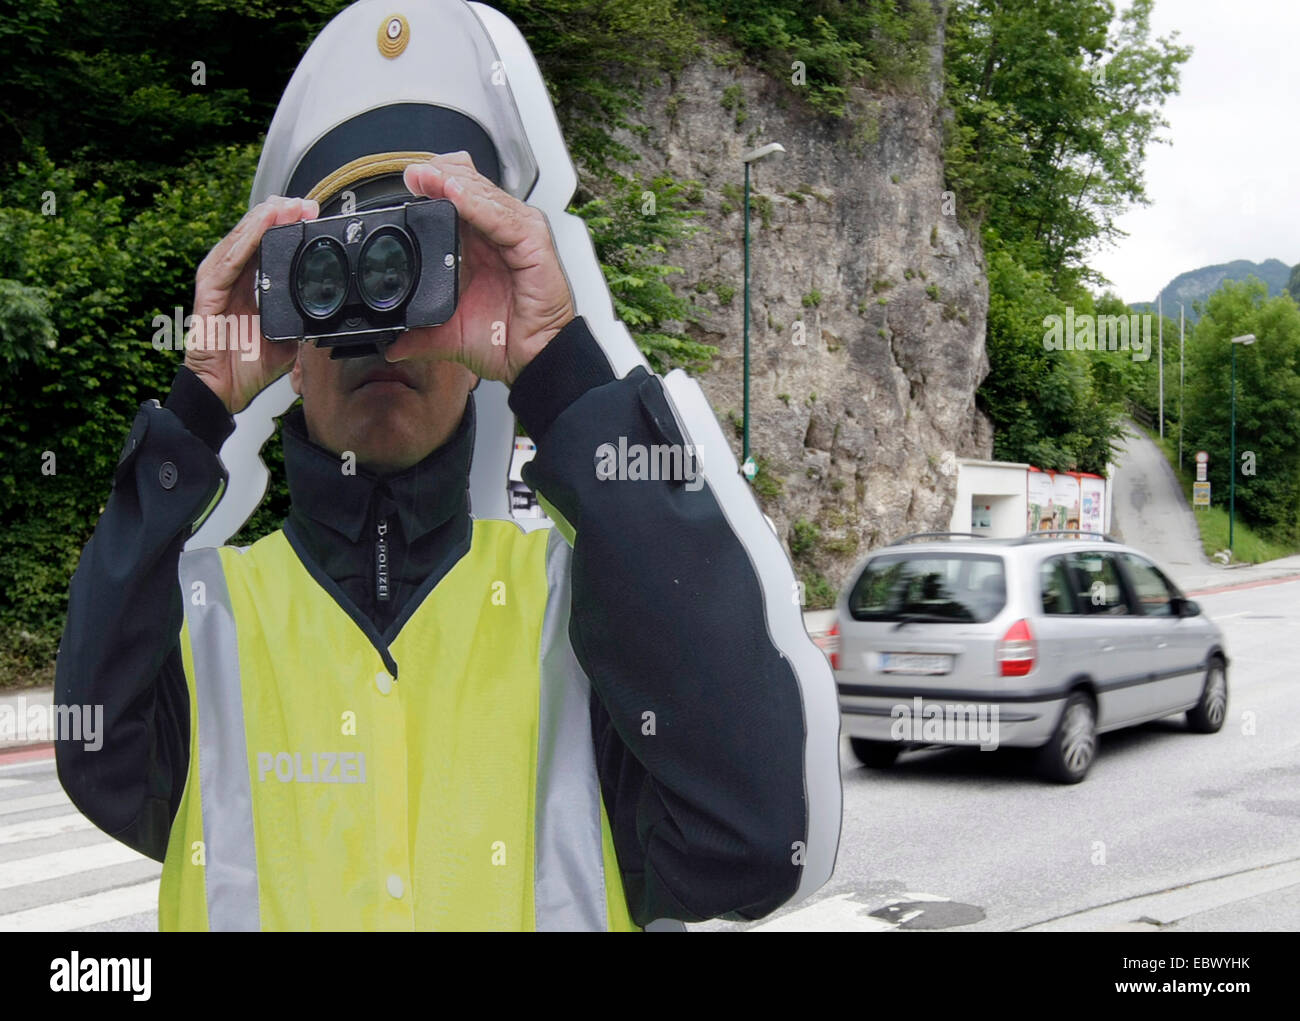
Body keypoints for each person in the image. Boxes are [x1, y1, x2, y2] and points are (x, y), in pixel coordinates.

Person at [54, 0, 839, 931]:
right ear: (290, 349)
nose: (379, 333)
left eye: (419, 278)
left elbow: (751, 839)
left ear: (480, 363)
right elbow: (94, 747)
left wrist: (560, 363)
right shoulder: (207, 626)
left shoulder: (578, 622)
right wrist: (198, 399)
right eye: (332, 294)